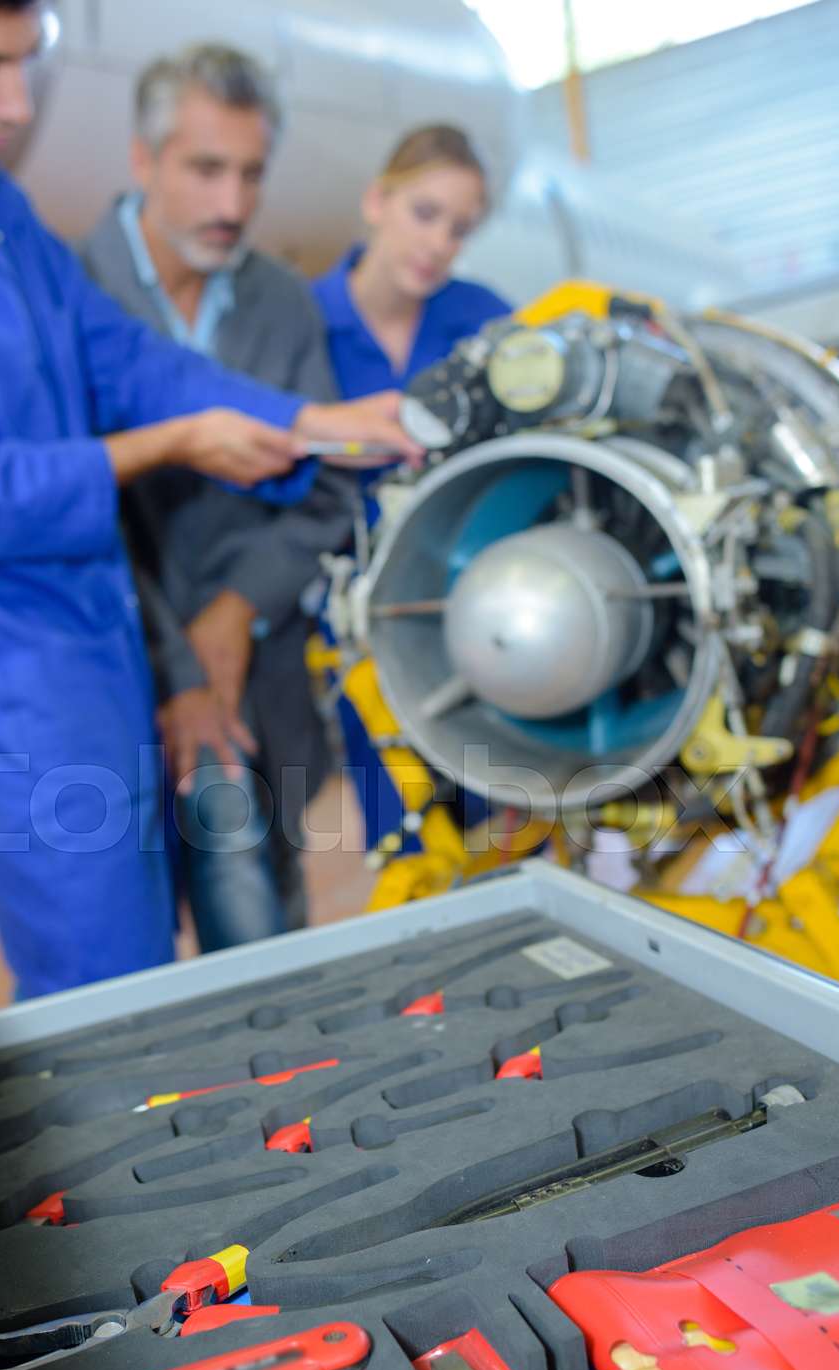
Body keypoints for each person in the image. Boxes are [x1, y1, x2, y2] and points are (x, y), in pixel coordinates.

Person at [0, 0, 417, 1000]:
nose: (15, 104)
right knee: (104, 992)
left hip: (94, 653)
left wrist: (308, 421)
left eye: (27, 63)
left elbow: (120, 358)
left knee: (143, 966)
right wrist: (171, 445)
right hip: (6, 680)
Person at [81, 46, 354, 953]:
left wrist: (238, 610)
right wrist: (183, 667)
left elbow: (329, 492)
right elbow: (80, 512)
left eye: (250, 173)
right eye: (205, 169)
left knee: (274, 918)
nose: (232, 206)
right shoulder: (75, 296)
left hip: (263, 675)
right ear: (143, 159)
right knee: (140, 949)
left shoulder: (281, 299)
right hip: (124, 684)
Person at [312, 123, 511, 855]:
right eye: (425, 214)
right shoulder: (305, 322)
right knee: (408, 838)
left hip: (483, 610)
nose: (438, 244)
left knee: (508, 831)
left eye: (460, 229)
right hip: (366, 637)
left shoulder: (483, 318)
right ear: (376, 201)